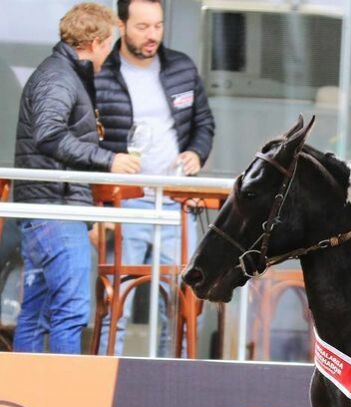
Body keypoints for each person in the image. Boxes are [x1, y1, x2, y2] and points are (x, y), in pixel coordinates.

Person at [13, 3, 141, 354]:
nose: (111, 51)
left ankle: (27, 395)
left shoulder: (61, 74)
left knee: (36, 313)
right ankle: (61, 400)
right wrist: (108, 160)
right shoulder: (59, 77)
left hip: (46, 209)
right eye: (110, 42)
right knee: (70, 312)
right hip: (56, 210)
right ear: (97, 41)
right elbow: (49, 135)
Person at [94, 0, 215, 356]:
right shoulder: (103, 71)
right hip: (126, 202)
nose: (152, 36)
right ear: (121, 25)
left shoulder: (181, 67)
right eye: (143, 27)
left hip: (176, 203)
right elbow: (87, 137)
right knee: (117, 300)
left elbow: (204, 124)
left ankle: (173, 384)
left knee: (182, 302)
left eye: (158, 27)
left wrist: (196, 153)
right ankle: (103, 381)